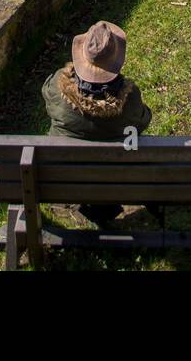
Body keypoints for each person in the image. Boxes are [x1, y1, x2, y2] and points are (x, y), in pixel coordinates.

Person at [42, 20, 153, 228]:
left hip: (65, 178)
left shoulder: (57, 88)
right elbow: (144, 119)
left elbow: (46, 94)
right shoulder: (130, 100)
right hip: (119, 179)